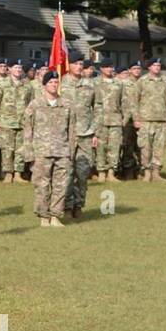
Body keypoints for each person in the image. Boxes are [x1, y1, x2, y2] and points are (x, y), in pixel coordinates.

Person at [22, 70, 76, 226]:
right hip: (41, 151)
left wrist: (71, 152)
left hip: (62, 151)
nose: (54, 85)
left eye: (56, 82)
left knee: (61, 185)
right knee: (42, 185)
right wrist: (29, 154)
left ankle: (56, 215)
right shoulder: (35, 104)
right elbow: (28, 130)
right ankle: (43, 216)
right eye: (51, 82)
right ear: (44, 85)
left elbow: (72, 130)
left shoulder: (66, 104)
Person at [61, 61, 100, 218]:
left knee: (82, 173)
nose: (79, 67)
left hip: (85, 134)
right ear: (68, 65)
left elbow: (98, 108)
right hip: (66, 134)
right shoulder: (60, 83)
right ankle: (67, 206)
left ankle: (79, 205)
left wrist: (95, 132)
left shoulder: (90, 84)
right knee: (66, 172)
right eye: (75, 64)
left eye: (81, 64)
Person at [134, 58, 166, 181]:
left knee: (159, 148)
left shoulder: (165, 81)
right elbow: (135, 101)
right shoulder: (142, 81)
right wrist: (136, 118)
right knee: (145, 148)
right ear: (149, 67)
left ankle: (156, 173)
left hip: (161, 120)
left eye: (159, 65)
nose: (157, 67)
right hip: (146, 120)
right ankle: (146, 172)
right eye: (154, 65)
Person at [0, 62, 32, 183]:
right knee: (7, 149)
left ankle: (18, 174)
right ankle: (8, 173)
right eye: (16, 67)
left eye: (20, 67)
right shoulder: (2, 84)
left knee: (20, 149)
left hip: (22, 122)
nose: (18, 70)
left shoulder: (27, 85)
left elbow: (30, 104)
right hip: (6, 121)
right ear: (10, 69)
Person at [93, 60, 124, 182]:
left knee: (114, 147)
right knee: (100, 147)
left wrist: (124, 118)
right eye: (106, 67)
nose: (109, 69)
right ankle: (101, 172)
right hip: (99, 120)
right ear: (101, 69)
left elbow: (124, 102)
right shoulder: (95, 83)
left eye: (111, 66)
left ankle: (111, 172)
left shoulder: (119, 83)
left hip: (115, 119)